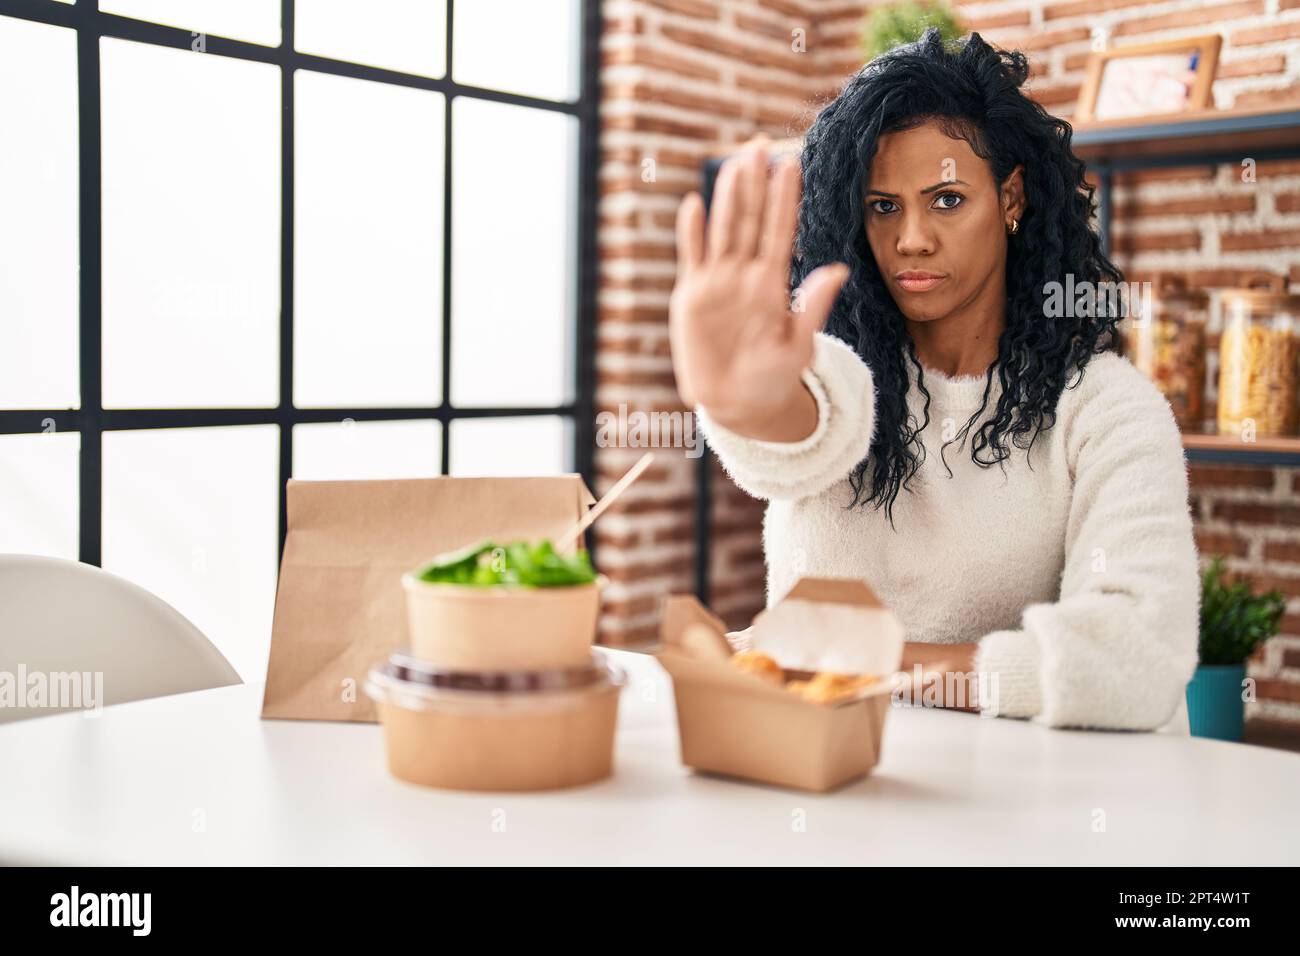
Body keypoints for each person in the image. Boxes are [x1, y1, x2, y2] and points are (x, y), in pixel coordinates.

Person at [668, 29, 1198, 731]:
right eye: (883, 206)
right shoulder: (843, 375)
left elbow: (1136, 659)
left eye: (946, 199)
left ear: (1011, 199)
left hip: (1039, 814)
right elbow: (802, 421)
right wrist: (742, 403)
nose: (911, 238)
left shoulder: (1108, 409)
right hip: (835, 785)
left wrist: (867, 657)